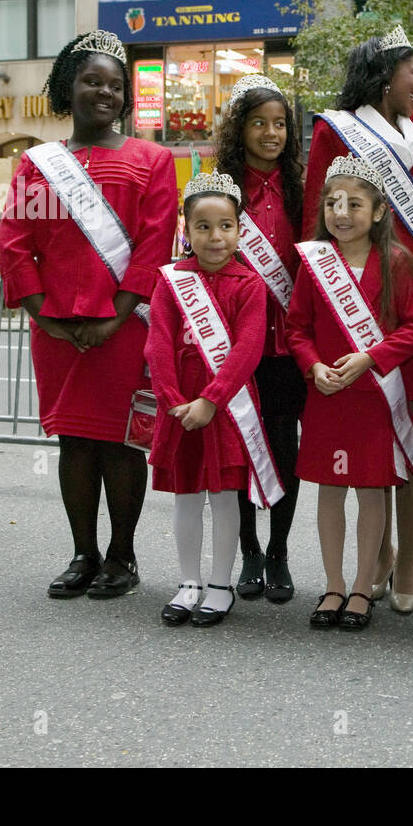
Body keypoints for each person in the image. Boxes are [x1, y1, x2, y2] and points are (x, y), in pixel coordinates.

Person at [0, 31, 177, 598]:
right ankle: (83, 553)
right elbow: (14, 240)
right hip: (54, 328)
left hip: (124, 328)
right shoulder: (38, 164)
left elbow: (154, 244)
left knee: (122, 440)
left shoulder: (154, 159)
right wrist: (40, 313)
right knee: (73, 441)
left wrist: (118, 315)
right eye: (92, 81)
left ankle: (122, 557)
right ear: (66, 88)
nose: (105, 92)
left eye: (116, 85)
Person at [303, 27, 413, 615]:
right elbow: (314, 216)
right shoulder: (336, 131)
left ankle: (410, 556)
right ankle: (377, 553)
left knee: (412, 435)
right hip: (348, 301)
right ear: (384, 75)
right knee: (360, 440)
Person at [286, 156, 413, 630]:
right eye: (332, 203)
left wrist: (372, 357)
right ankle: (332, 585)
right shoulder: (314, 262)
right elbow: (297, 328)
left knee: (371, 492)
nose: (340, 212)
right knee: (329, 490)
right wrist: (313, 366)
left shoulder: (396, 261)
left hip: (373, 398)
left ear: (379, 210)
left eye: (352, 203)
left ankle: (364, 587)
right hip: (328, 396)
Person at [146, 171, 277, 628]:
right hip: (180, 408)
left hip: (225, 410)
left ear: (240, 230)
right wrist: (172, 400)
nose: (215, 236)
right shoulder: (170, 281)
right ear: (186, 231)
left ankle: (220, 583)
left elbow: (248, 348)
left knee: (224, 496)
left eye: (225, 225)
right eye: (203, 226)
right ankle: (188, 581)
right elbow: (157, 342)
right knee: (185, 495)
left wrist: (211, 401)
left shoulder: (250, 284)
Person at [214, 73, 306, 605]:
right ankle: (248, 550)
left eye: (279, 124)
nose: (271, 133)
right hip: (234, 339)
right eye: (259, 123)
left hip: (288, 345)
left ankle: (279, 551)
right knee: (241, 448)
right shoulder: (222, 184)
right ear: (240, 128)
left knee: (283, 448)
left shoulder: (299, 186)